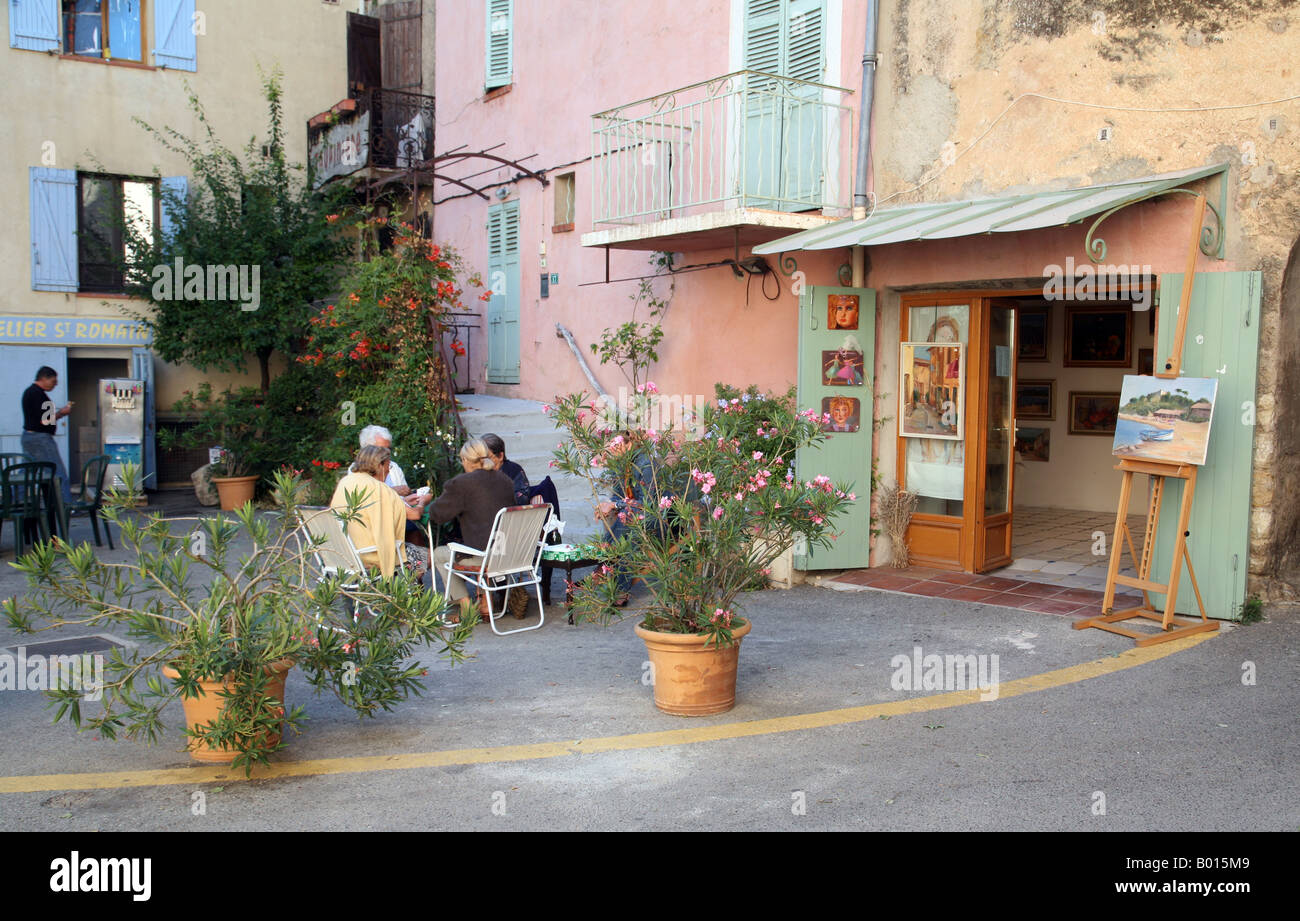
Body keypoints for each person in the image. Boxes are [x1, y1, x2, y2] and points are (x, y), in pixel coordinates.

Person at [428, 439, 516, 621]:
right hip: (510, 554)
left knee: (439, 554)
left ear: (466, 460)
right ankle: (486, 601)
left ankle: (466, 607)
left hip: (484, 557)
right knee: (485, 540)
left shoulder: (462, 484)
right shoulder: (505, 480)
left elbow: (437, 515)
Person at [330, 445, 430, 580]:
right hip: (373, 555)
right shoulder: (378, 487)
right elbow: (415, 515)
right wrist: (422, 501)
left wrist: (404, 500)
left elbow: (374, 505)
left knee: (413, 548)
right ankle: (409, 593)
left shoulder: (346, 482)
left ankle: (406, 590)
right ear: (380, 465)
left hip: (348, 554)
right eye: (388, 467)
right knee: (428, 557)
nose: (388, 471)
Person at [21, 366, 73, 505]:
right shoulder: (39, 395)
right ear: (44, 378)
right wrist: (62, 413)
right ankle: (66, 505)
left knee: (25, 473)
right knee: (57, 472)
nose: (55, 384)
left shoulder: (30, 392)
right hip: (40, 438)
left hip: (29, 437)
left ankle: (17, 502)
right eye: (53, 381)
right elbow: (45, 420)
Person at [481, 432, 545, 507]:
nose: (483, 462)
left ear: (501, 456)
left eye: (488, 458)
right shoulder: (479, 472)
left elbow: (523, 499)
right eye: (480, 458)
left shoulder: (514, 470)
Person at [356, 425, 410, 496]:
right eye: (381, 449)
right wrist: (393, 491)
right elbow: (363, 498)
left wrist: (408, 499)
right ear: (367, 450)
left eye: (388, 448)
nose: (386, 453)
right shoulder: (357, 470)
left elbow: (402, 498)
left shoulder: (393, 467)